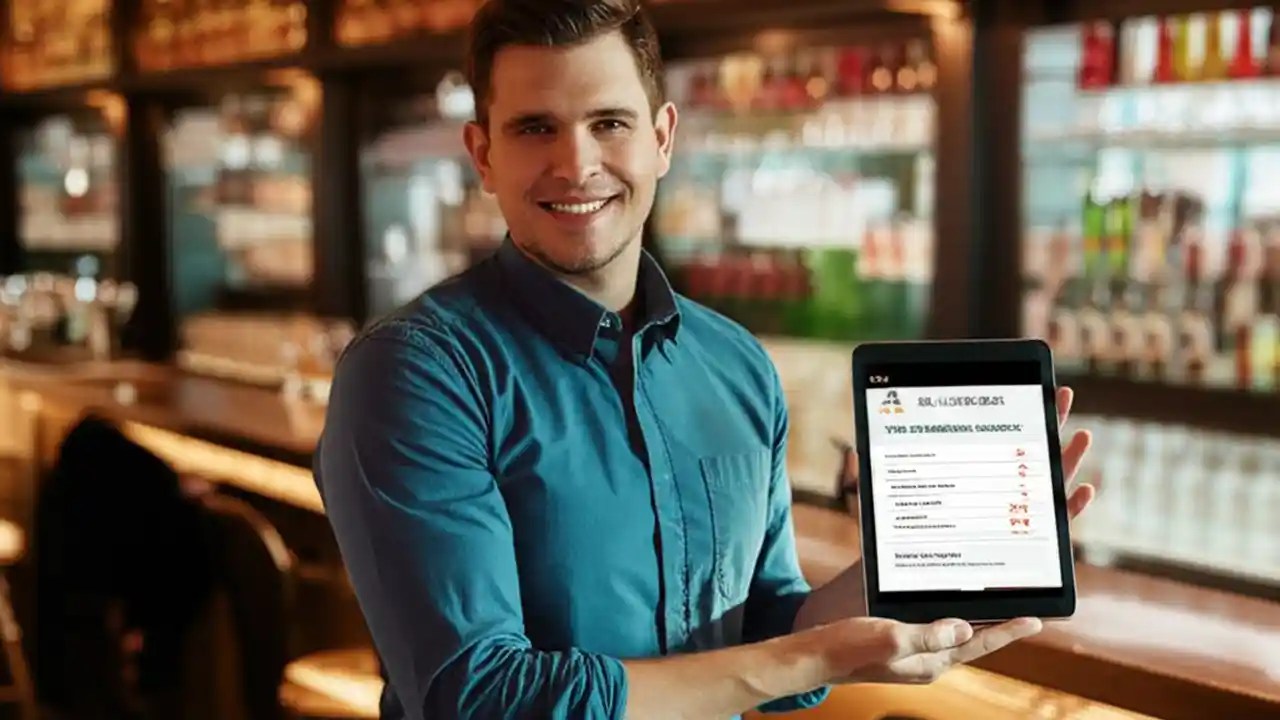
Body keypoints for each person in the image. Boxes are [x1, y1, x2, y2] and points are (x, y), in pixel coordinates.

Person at [313, 1, 1096, 718]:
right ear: (482, 154)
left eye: (610, 123)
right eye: (534, 128)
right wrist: (808, 656)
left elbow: (762, 621)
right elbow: (480, 696)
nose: (577, 163)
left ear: (662, 139)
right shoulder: (416, 372)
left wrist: (899, 584)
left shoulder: (737, 366)